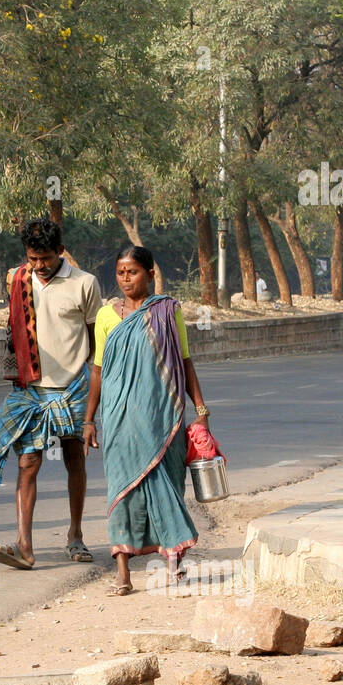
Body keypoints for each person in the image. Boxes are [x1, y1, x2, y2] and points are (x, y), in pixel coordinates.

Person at [84, 245, 212, 594]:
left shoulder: (168, 312)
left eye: (133, 272)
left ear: (150, 273)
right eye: (120, 273)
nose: (126, 279)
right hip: (120, 417)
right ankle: (123, 575)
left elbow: (184, 361)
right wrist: (89, 419)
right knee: (121, 490)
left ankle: (173, 564)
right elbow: (97, 370)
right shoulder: (107, 316)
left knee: (167, 485)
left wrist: (201, 411)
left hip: (162, 417)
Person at [0, 217, 102, 569]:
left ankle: (75, 536)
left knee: (74, 459)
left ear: (60, 252)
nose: (38, 266)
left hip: (74, 388)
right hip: (31, 390)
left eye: (45, 259)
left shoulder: (85, 284)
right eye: (32, 259)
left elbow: (97, 341)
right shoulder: (19, 280)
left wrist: (92, 389)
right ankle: (24, 545)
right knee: (27, 462)